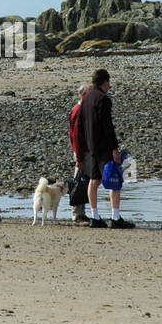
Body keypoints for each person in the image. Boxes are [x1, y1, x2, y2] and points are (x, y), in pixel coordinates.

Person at [80, 68, 134, 229]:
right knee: (114, 179)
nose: (109, 86)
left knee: (94, 181)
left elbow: (81, 124)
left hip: (90, 147)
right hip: (103, 147)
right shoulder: (103, 99)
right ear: (104, 82)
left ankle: (95, 217)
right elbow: (107, 126)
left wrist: (84, 147)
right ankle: (115, 217)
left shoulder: (87, 98)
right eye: (108, 82)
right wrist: (115, 149)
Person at [69, 83, 90, 225]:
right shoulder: (79, 110)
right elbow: (76, 135)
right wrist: (79, 156)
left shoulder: (80, 109)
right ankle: (77, 214)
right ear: (84, 95)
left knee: (83, 181)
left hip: (81, 150)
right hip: (80, 151)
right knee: (79, 182)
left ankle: (81, 212)